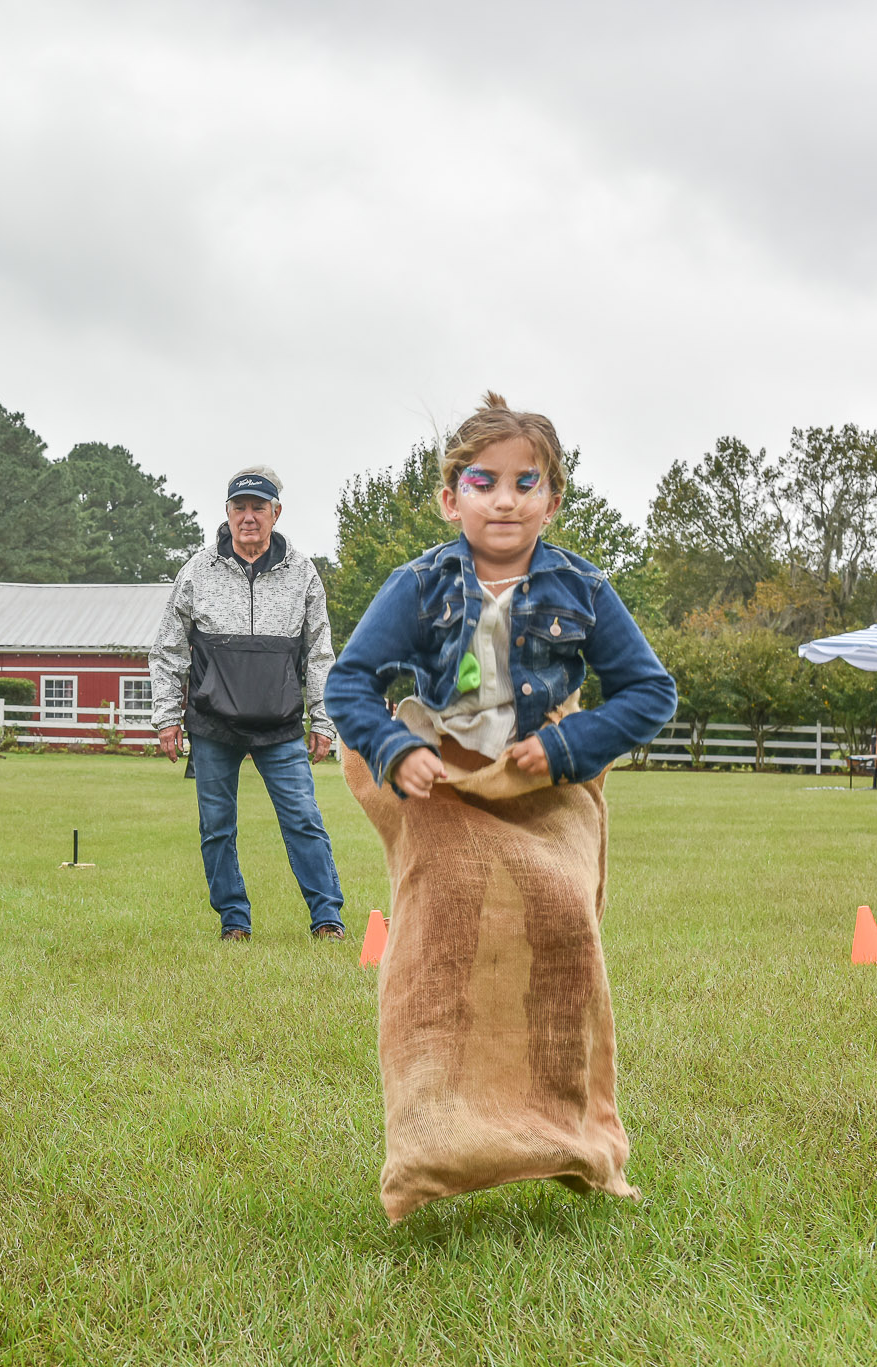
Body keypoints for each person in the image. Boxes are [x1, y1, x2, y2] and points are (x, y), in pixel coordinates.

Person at [324, 392, 677, 1221]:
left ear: (552, 500)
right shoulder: (417, 585)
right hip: (441, 775)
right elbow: (349, 683)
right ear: (452, 498)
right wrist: (395, 748)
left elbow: (649, 690)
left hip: (541, 774)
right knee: (440, 927)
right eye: (484, 482)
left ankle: (572, 1136)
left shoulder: (585, 589)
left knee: (563, 921)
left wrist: (567, 747)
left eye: (527, 482)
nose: (506, 499)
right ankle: (433, 1141)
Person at [150, 467, 344, 942]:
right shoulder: (197, 571)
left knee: (303, 819)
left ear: (277, 513)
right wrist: (166, 717)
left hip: (280, 725)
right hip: (213, 725)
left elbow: (320, 653)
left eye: (259, 507)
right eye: (240, 507)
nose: (249, 516)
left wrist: (323, 721)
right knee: (217, 827)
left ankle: (327, 919)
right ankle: (233, 921)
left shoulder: (302, 573)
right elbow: (168, 649)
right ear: (227, 513)